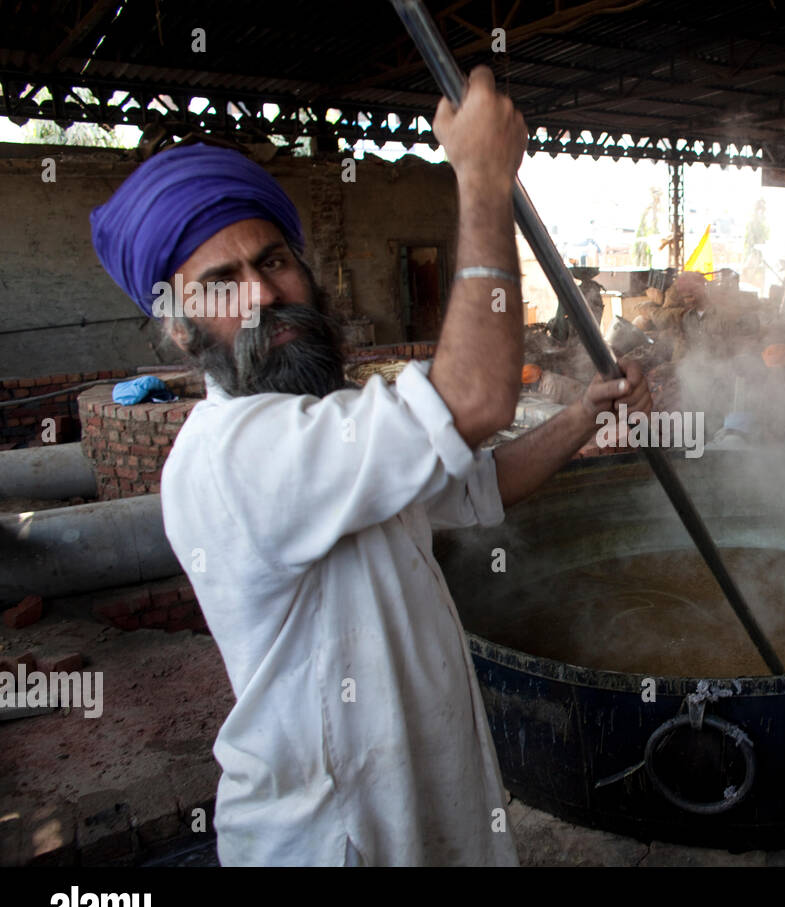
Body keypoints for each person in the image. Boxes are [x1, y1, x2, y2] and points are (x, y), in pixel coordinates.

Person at [88, 67, 652, 866]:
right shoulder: (236, 454)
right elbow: (477, 398)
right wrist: (485, 182)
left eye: (274, 261)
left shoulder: (320, 427)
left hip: (414, 801)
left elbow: (478, 483)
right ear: (178, 331)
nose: (262, 297)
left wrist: (582, 417)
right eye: (221, 283)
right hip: (334, 834)